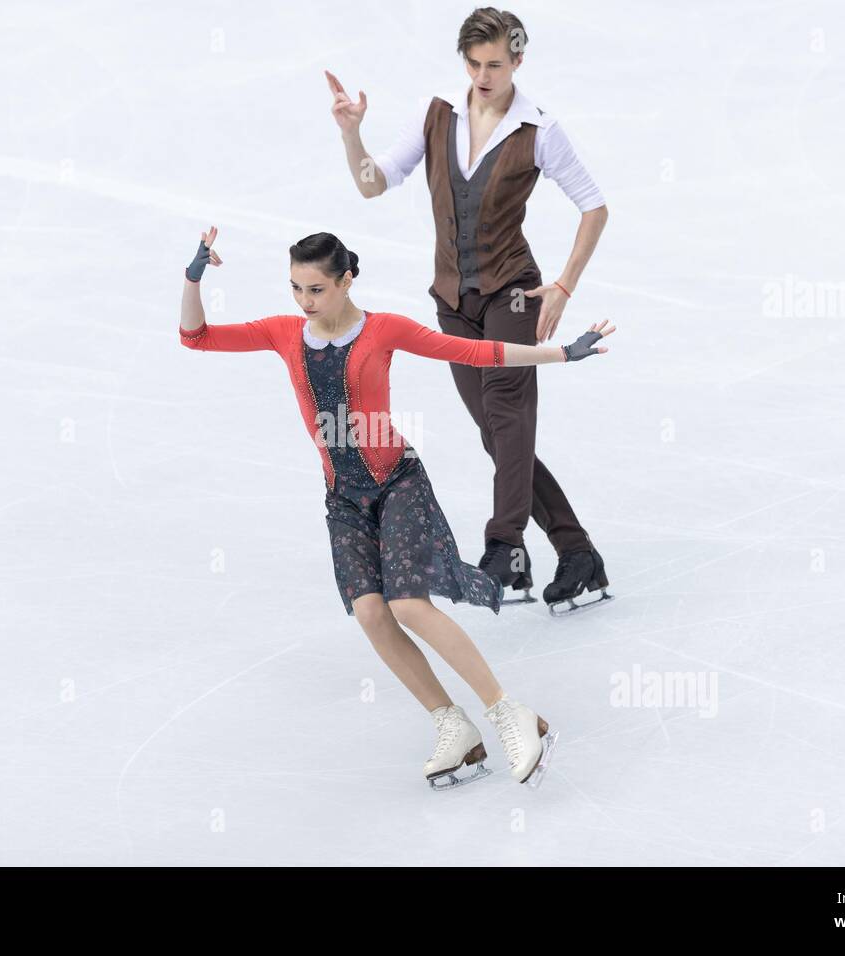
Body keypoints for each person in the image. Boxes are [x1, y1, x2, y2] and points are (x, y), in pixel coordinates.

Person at [179, 226, 615, 788]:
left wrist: (559, 354)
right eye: (295, 289)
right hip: (344, 497)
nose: (305, 302)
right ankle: (450, 724)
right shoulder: (285, 334)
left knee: (408, 604)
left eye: (316, 289)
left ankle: (510, 713)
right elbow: (196, 336)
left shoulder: (384, 330)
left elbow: (475, 350)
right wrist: (193, 278)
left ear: (346, 280)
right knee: (370, 613)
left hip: (397, 483)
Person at [325, 6, 612, 613]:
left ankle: (504, 546)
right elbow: (374, 183)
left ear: (518, 62)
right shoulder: (438, 116)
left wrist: (562, 286)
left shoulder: (539, 131)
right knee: (496, 435)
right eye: (475, 64)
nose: (484, 76)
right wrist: (352, 133)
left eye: (497, 65)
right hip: (453, 300)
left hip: (512, 292)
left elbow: (594, 206)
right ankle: (577, 551)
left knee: (508, 414)